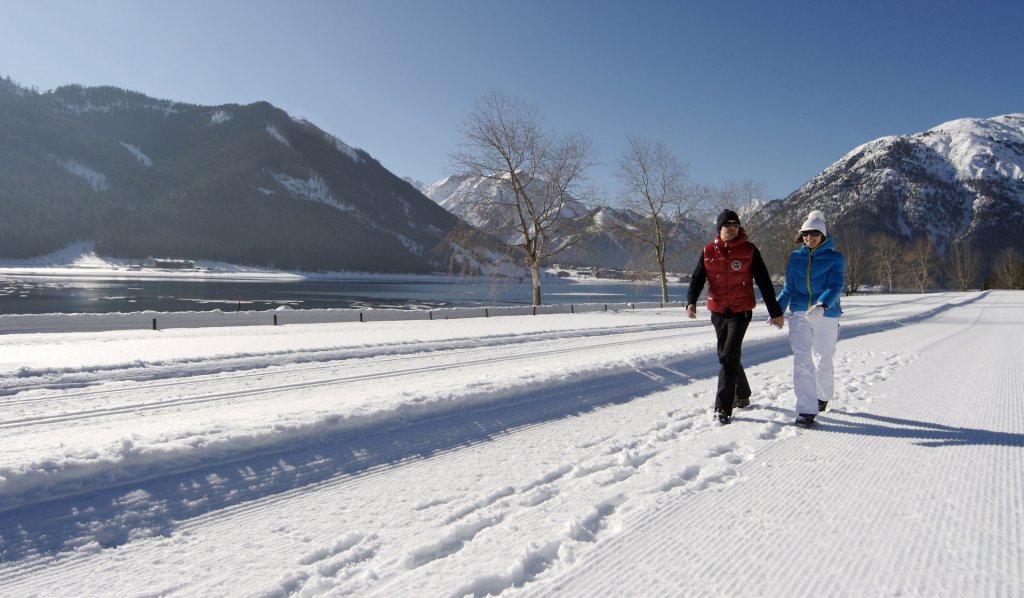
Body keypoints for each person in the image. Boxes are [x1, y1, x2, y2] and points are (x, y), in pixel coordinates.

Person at [687, 209, 785, 425]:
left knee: (729, 355)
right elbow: (697, 278)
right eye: (727, 224)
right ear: (719, 228)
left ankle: (723, 407)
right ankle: (743, 392)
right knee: (726, 355)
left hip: (741, 311)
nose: (732, 228)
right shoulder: (708, 251)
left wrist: (775, 312)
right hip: (718, 310)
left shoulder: (749, 250)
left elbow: (764, 282)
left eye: (736, 224)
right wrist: (691, 300)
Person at [776, 210, 846, 427]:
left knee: (823, 360)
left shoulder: (835, 258)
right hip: (799, 313)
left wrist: (822, 305)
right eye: (805, 234)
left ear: (823, 235)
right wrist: (776, 310)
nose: (809, 237)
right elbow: (789, 287)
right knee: (802, 360)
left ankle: (823, 396)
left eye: (814, 233)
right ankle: (806, 410)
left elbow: (836, 285)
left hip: (826, 313)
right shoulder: (796, 257)